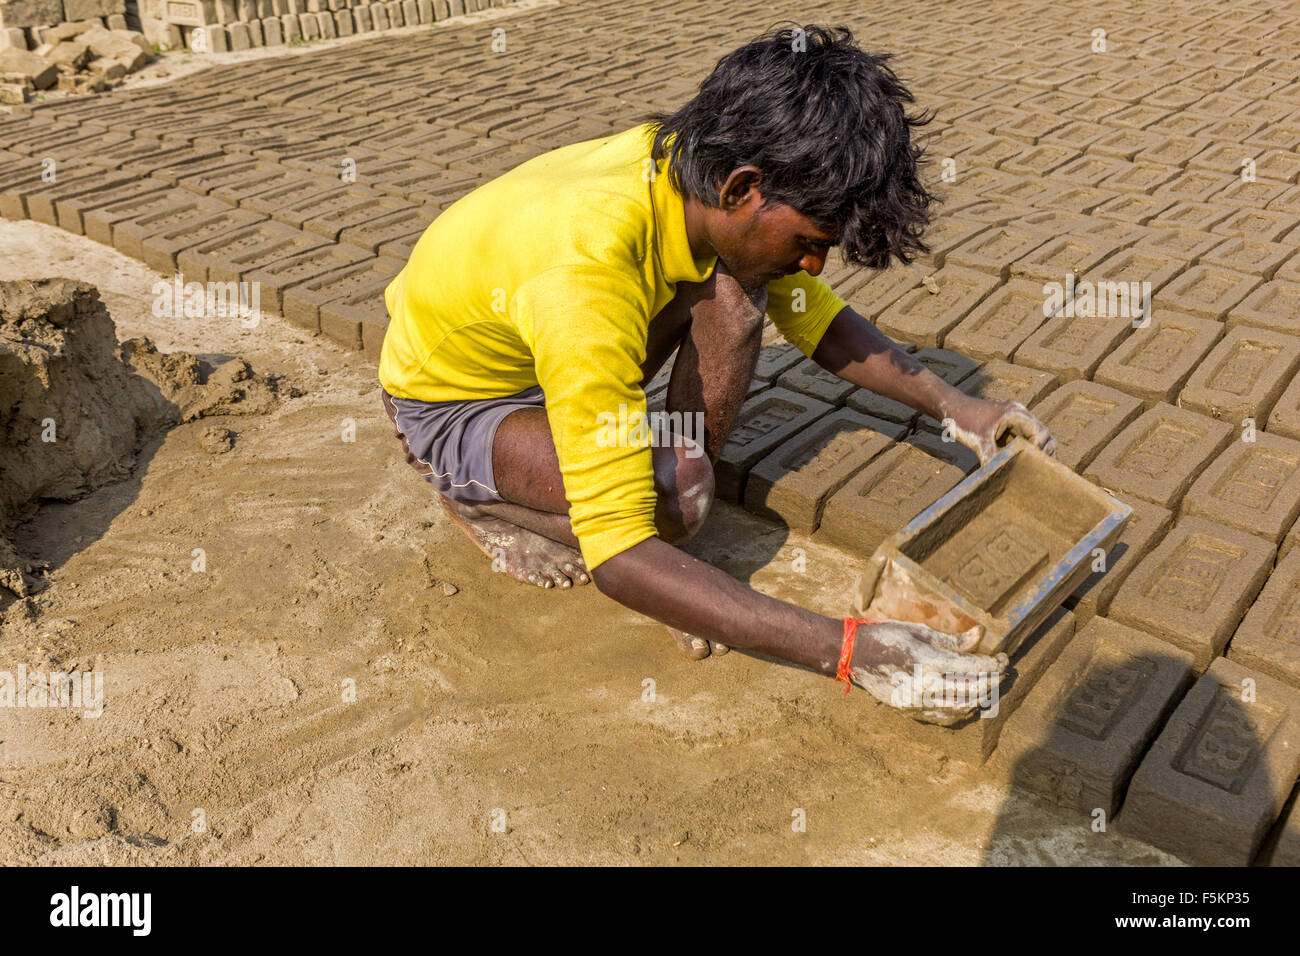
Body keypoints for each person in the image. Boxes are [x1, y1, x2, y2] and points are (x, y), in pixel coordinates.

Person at [378, 24, 1056, 722]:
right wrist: (853, 649)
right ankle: (477, 498)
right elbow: (614, 551)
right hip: (457, 402)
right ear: (743, 189)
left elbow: (817, 322)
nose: (816, 265)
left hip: (541, 347)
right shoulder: (583, 274)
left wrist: (956, 406)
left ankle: (658, 542)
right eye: (810, 243)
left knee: (735, 299)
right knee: (671, 506)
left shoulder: (689, 169)